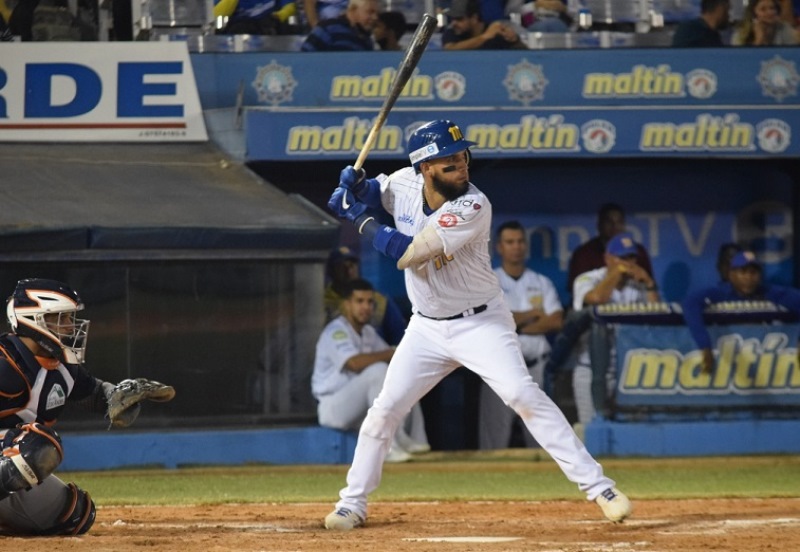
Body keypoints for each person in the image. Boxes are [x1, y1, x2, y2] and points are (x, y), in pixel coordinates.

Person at [322, 119, 632, 530]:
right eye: (449, 162)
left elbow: (409, 253)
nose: (461, 167)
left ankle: (600, 488)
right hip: (427, 328)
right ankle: (352, 504)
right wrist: (355, 186)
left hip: (482, 323)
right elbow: (377, 191)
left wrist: (358, 218)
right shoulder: (403, 182)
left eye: (463, 157)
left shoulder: (472, 205)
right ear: (425, 168)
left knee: (522, 394)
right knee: (384, 411)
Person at [0, 278, 174, 535]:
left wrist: (119, 396)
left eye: (69, 318)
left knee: (75, 513)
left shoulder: (62, 367)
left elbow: (93, 394)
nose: (70, 326)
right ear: (32, 319)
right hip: (11, 456)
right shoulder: (5, 364)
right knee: (37, 445)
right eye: (60, 318)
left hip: (8, 466)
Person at [313, 278, 429, 463]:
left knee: (402, 373)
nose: (365, 307)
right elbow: (354, 363)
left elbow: (394, 359)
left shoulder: (368, 332)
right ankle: (387, 446)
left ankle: (409, 437)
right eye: (359, 301)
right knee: (378, 371)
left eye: (369, 302)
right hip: (333, 407)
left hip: (358, 407)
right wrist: (391, 352)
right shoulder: (335, 331)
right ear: (346, 304)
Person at [479, 220, 563, 449]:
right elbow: (490, 321)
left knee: (541, 440)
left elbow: (556, 321)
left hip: (536, 368)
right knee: (493, 441)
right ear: (499, 247)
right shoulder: (487, 281)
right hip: (499, 368)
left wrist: (516, 324)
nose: (516, 246)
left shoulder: (541, 282)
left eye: (519, 242)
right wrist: (533, 315)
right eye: (510, 242)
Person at [571, 233, 660, 427]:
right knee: (592, 430)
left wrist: (649, 284)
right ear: (608, 258)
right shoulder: (587, 279)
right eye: (622, 258)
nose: (629, 263)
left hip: (627, 372)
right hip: (590, 370)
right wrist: (616, 273)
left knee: (629, 432)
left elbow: (656, 318)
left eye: (632, 257)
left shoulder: (638, 284)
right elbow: (597, 298)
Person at [682, 250, 800, 374]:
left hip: (768, 367)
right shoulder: (720, 293)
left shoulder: (768, 292)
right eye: (743, 272)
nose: (748, 277)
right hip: (725, 370)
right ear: (731, 274)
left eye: (753, 272)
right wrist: (705, 346)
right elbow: (690, 304)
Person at [566, 203, 653, 298]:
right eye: (609, 222)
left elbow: (652, 296)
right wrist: (616, 274)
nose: (615, 226)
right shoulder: (584, 253)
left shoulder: (638, 250)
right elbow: (579, 292)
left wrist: (649, 283)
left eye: (619, 222)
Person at [324, 246, 407, 345]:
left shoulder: (380, 301)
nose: (348, 271)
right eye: (342, 266)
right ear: (331, 270)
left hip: (377, 351)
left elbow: (400, 338)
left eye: (352, 265)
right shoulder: (322, 301)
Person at [442, 0, 527, 50]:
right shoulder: (452, 32)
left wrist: (514, 40)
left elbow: (524, 54)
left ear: (474, 18)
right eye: (452, 19)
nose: (454, 23)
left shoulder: (496, 32)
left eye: (459, 19)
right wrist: (484, 37)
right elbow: (450, 49)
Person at [300, 0, 378, 51]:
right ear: (353, 10)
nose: (375, 17)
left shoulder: (367, 40)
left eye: (376, 13)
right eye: (370, 12)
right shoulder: (328, 29)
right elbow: (304, 58)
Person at [731, 0, 798, 45]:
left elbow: (793, 54)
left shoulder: (784, 28)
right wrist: (759, 39)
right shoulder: (741, 34)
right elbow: (743, 59)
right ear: (754, 14)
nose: (769, 12)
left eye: (772, 8)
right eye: (763, 9)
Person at [213, 0, 297, 35]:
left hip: (268, 28)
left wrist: (278, 16)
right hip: (239, 33)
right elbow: (216, 12)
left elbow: (290, 6)